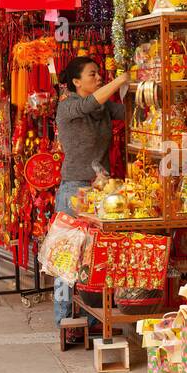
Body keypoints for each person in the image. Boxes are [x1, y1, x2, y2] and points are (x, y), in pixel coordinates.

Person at [53, 57, 129, 336]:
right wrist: (119, 81)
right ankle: (63, 318)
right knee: (67, 256)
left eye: (99, 74)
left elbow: (127, 111)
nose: (98, 77)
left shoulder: (104, 107)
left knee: (95, 257)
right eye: (92, 74)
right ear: (76, 81)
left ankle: (93, 314)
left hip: (101, 188)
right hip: (74, 188)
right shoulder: (68, 106)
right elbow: (89, 104)